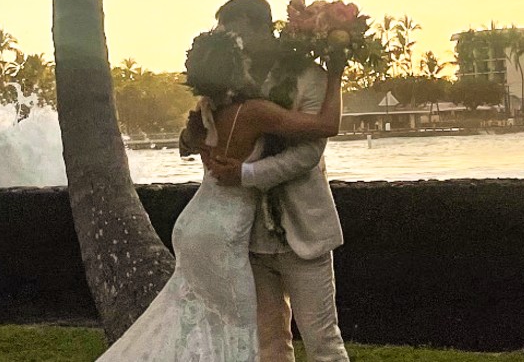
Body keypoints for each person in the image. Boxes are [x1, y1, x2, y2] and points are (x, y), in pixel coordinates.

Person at [96, 18, 346, 361]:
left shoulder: (209, 108)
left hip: (204, 224)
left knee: (206, 327)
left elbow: (308, 152)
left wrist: (232, 165)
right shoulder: (253, 109)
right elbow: (327, 125)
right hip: (235, 235)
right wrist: (338, 72)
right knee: (246, 338)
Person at [200, 0, 351, 362]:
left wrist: (247, 174)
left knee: (322, 342)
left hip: (305, 233)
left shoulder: (308, 77)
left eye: (232, 34)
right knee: (268, 344)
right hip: (250, 236)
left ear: (257, 27)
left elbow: (310, 152)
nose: (229, 43)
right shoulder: (231, 87)